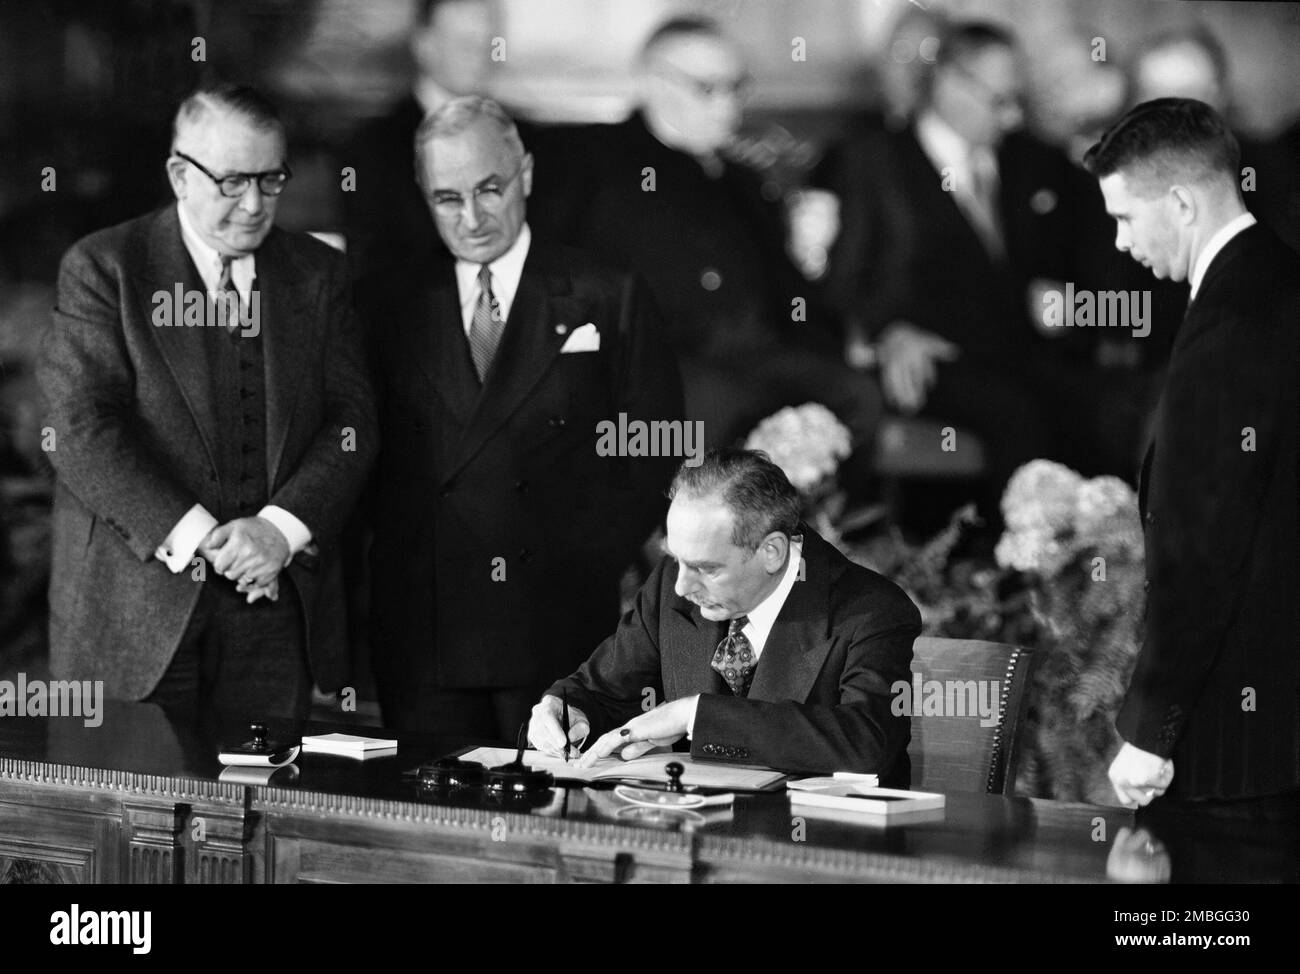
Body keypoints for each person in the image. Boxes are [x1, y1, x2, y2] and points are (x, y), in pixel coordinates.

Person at [37, 85, 378, 724]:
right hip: (131, 619)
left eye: (271, 179)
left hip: (276, 614)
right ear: (179, 175)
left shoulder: (319, 273)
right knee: (132, 816)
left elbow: (352, 421)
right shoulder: (104, 267)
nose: (254, 204)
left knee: (264, 812)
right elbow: (80, 429)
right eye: (231, 182)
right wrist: (206, 538)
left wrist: (279, 529)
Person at [365, 96, 683, 742]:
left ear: (526, 175)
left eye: (490, 189)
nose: (474, 218)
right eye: (447, 199)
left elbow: (652, 445)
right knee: (431, 828)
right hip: (430, 628)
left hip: (556, 624)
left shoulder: (605, 292)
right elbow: (363, 450)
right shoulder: (387, 301)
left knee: (553, 825)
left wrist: (577, 562)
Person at [1083, 98, 1300, 805]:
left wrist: (1148, 732)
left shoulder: (1230, 324)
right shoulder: (1279, 280)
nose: (1120, 243)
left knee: (1202, 922)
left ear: (1178, 202)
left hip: (1245, 738)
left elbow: (1204, 547)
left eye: (1123, 217)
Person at [536, 17, 881, 456]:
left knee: (856, 395)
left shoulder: (744, 180)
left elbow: (787, 284)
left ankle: (809, 522)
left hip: (758, 348)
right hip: (654, 354)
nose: (727, 104)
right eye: (707, 88)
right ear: (654, 83)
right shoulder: (591, 160)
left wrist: (816, 268)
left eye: (736, 86)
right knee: (711, 402)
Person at [820, 22, 1128, 491]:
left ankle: (1097, 553)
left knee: (1103, 409)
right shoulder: (871, 161)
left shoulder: (1035, 162)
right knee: (1014, 414)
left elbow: (1087, 271)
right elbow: (840, 282)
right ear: (949, 83)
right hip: (925, 359)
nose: (1009, 118)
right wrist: (886, 334)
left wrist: (1075, 309)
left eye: (1017, 101)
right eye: (999, 100)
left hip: (1026, 351)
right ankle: (1008, 556)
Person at [528, 449, 920, 779]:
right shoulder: (673, 583)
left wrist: (696, 714)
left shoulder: (871, 610)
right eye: (676, 560)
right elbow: (602, 691)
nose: (683, 587)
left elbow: (867, 744)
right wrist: (566, 712)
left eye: (707, 568)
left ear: (772, 552)